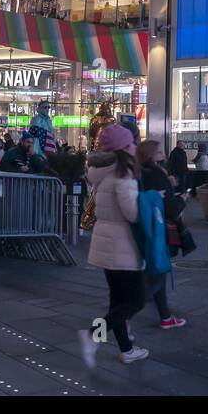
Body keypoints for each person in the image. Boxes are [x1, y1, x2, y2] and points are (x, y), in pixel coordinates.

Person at [80, 123, 148, 365]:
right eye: (131, 142)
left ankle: (126, 350)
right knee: (136, 300)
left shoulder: (102, 172)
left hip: (105, 241)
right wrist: (150, 202)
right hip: (123, 244)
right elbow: (132, 213)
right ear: (123, 147)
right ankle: (92, 335)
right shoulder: (123, 172)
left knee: (117, 302)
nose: (134, 146)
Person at [137, 139, 189, 328]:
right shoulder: (156, 174)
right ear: (151, 154)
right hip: (158, 228)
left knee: (157, 271)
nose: (163, 152)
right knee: (155, 277)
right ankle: (124, 313)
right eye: (159, 150)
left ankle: (165, 316)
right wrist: (182, 200)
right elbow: (168, 208)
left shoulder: (143, 172)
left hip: (147, 226)